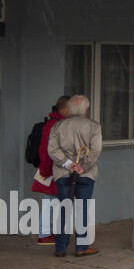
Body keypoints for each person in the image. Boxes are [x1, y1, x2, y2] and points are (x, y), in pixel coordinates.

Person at [47, 94, 103, 257]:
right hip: (86, 174)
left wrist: (67, 164)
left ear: (70, 109)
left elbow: (52, 149)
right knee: (83, 209)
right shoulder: (94, 126)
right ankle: (81, 247)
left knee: (64, 208)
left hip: (63, 173)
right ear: (86, 108)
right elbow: (95, 150)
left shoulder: (58, 126)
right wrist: (82, 166)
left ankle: (60, 247)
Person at [30, 96, 71, 245]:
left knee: (53, 202)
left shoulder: (55, 123)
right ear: (64, 108)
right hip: (52, 170)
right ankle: (45, 233)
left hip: (53, 169)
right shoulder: (54, 125)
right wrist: (46, 170)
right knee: (50, 202)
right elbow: (46, 150)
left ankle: (48, 232)